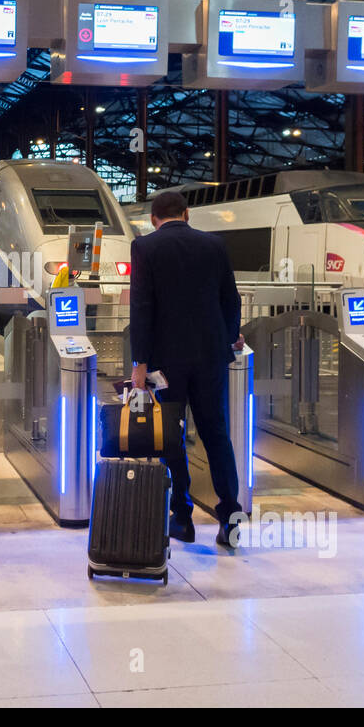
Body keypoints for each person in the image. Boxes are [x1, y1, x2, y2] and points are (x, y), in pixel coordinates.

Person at [129, 190, 244, 547]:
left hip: (167, 362)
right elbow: (231, 298)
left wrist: (140, 363)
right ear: (187, 214)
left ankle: (182, 517)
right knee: (216, 435)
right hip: (211, 356)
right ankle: (231, 519)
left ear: (153, 218)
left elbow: (142, 308)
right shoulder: (215, 245)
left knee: (172, 437)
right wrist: (228, 339)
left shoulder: (145, 247)